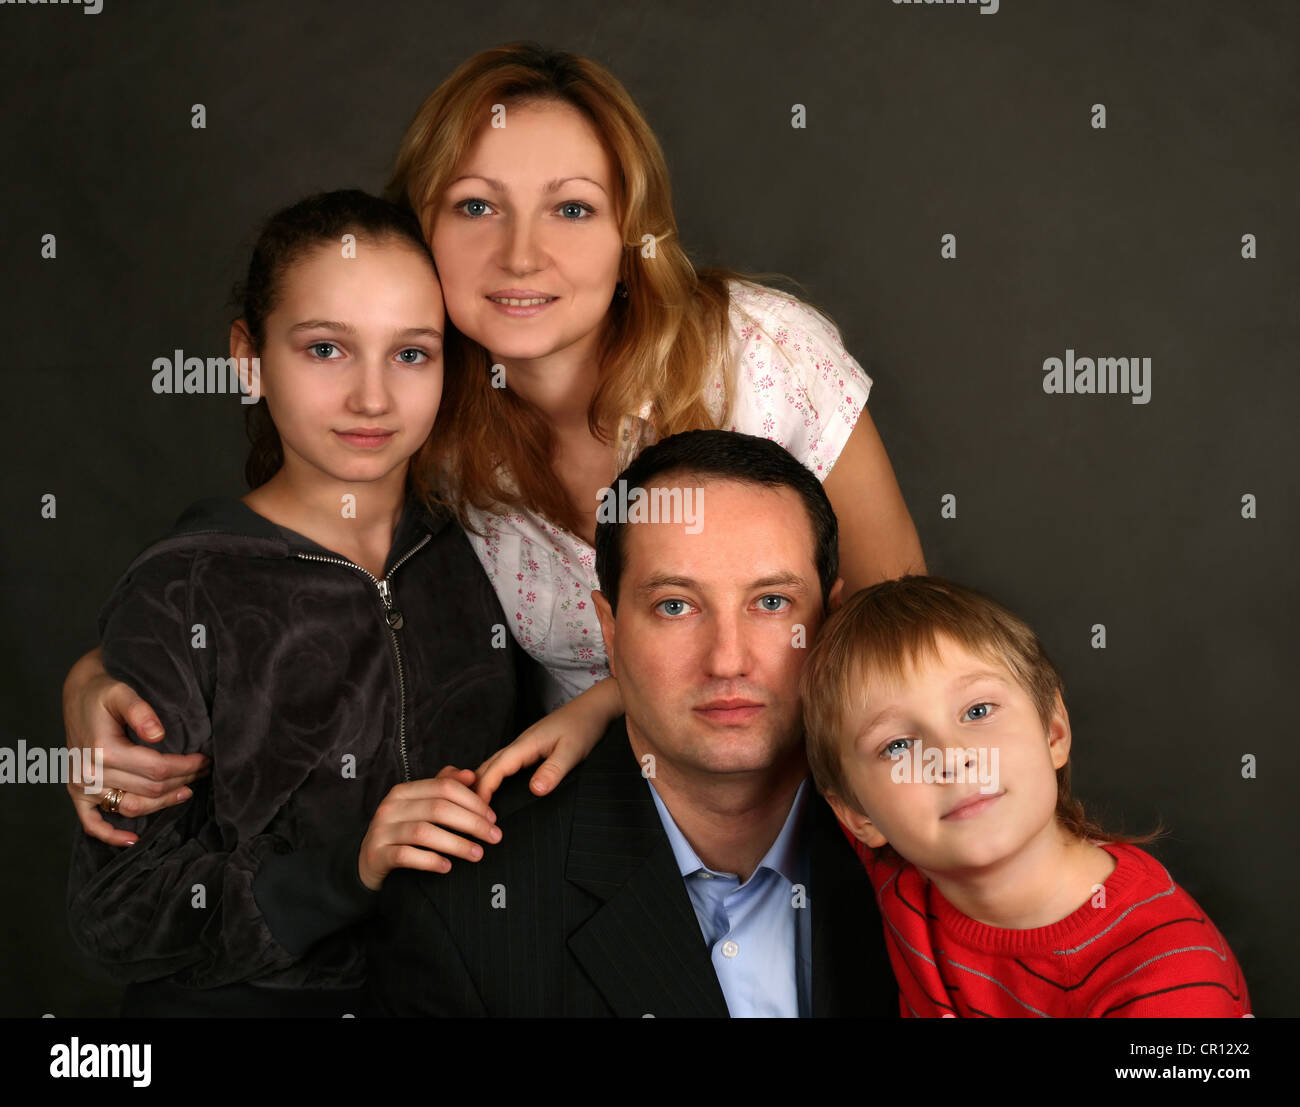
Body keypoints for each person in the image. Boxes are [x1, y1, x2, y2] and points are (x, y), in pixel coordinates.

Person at [60, 42, 924, 841]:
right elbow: (301, 571)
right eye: (476, 206)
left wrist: (604, 705)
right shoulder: (417, 415)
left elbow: (901, 617)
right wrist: (100, 676)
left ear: (632, 238)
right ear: (418, 232)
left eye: (572, 209)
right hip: (600, 839)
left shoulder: (760, 353)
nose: (520, 256)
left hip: (825, 800)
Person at [67, 191, 532, 1016]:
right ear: (248, 358)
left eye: (412, 354)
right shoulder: (184, 589)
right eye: (326, 349)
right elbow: (117, 915)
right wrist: (343, 867)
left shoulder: (487, 547)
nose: (373, 398)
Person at [366, 430, 898, 1017]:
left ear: (831, 620)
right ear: (610, 631)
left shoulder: (927, 836)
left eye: (771, 602)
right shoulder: (462, 911)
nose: (727, 659)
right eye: (675, 605)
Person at [800, 576, 1252, 1018]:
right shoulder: (898, 866)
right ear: (858, 815)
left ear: (1053, 731)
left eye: (978, 711)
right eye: (897, 746)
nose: (952, 758)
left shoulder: (1169, 980)